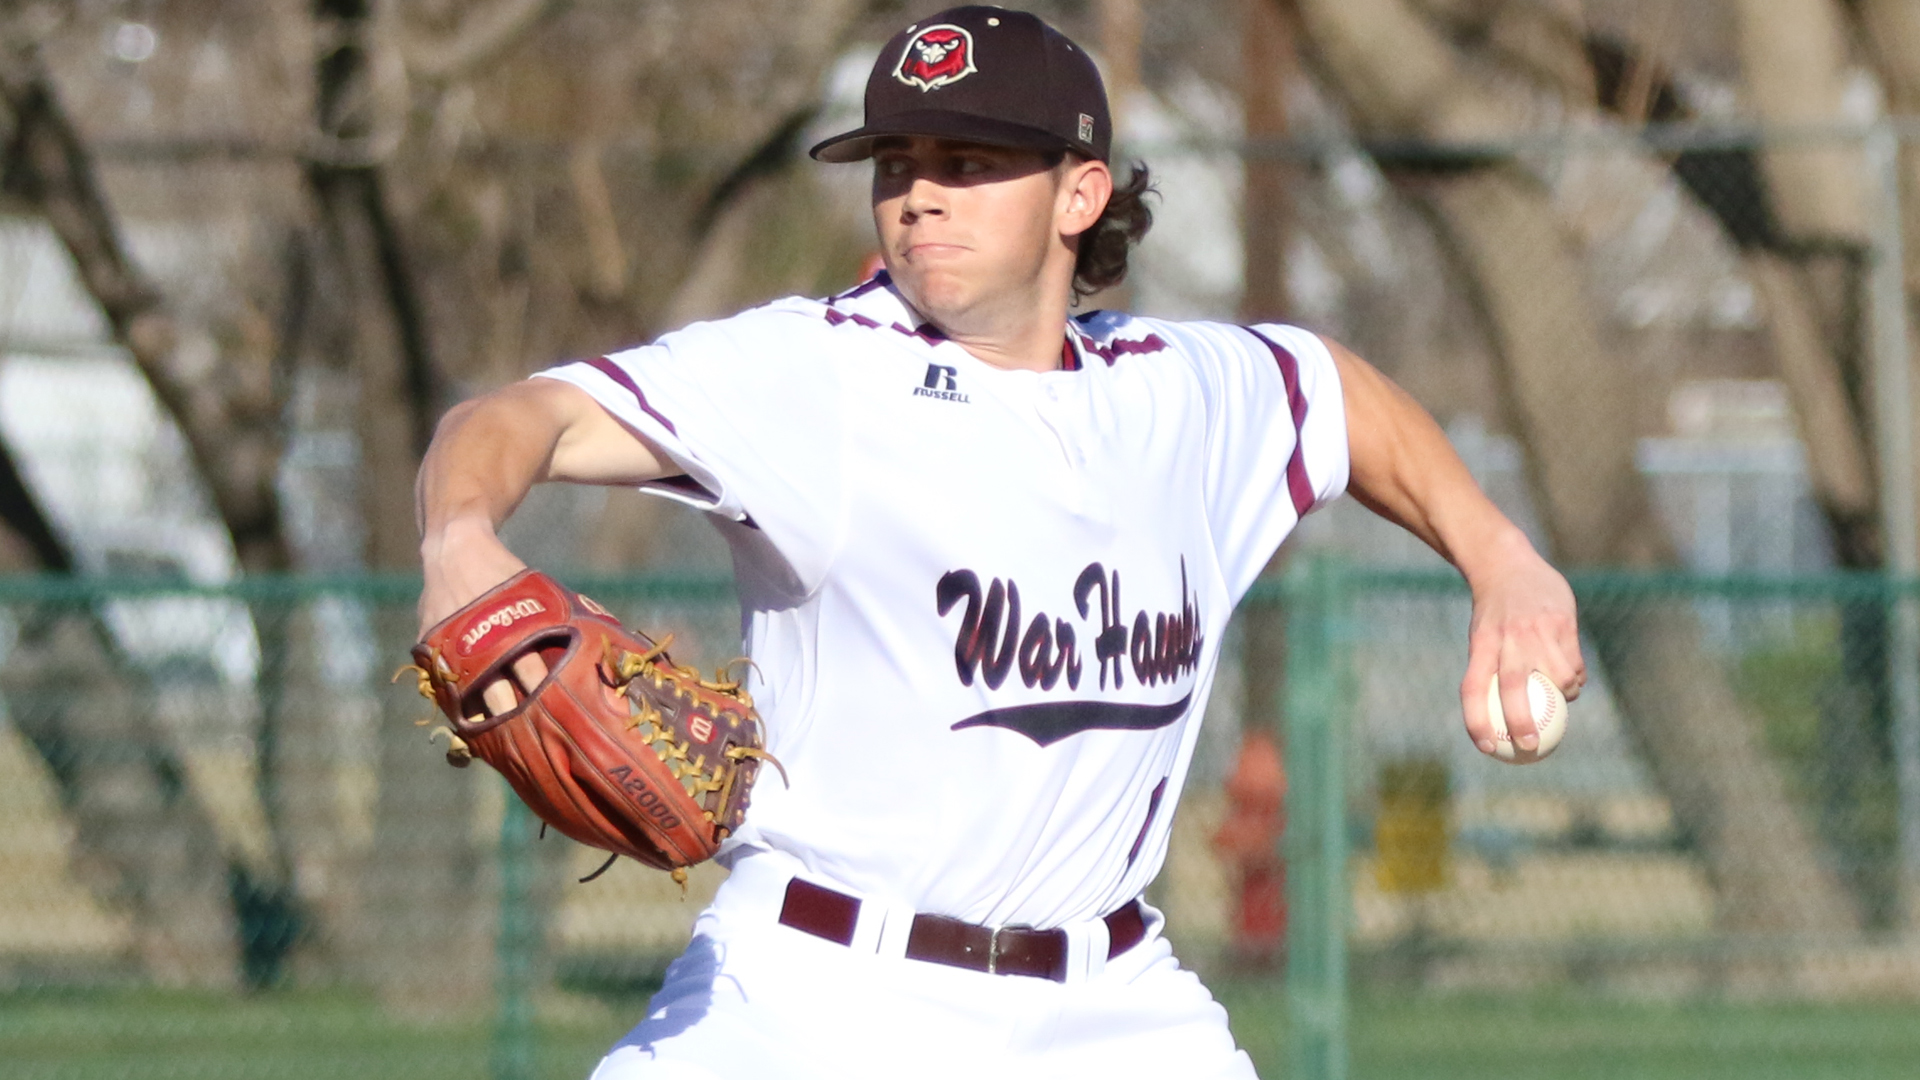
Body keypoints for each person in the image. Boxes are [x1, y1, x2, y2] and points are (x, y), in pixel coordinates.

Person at [414, 7, 1584, 1078]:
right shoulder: (814, 374)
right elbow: (522, 418)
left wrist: (1503, 561)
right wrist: (460, 537)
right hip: (817, 995)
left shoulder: (1181, 394)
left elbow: (1336, 396)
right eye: (897, 165)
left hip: (1113, 1003)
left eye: (969, 165)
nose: (920, 196)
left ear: (1081, 195)